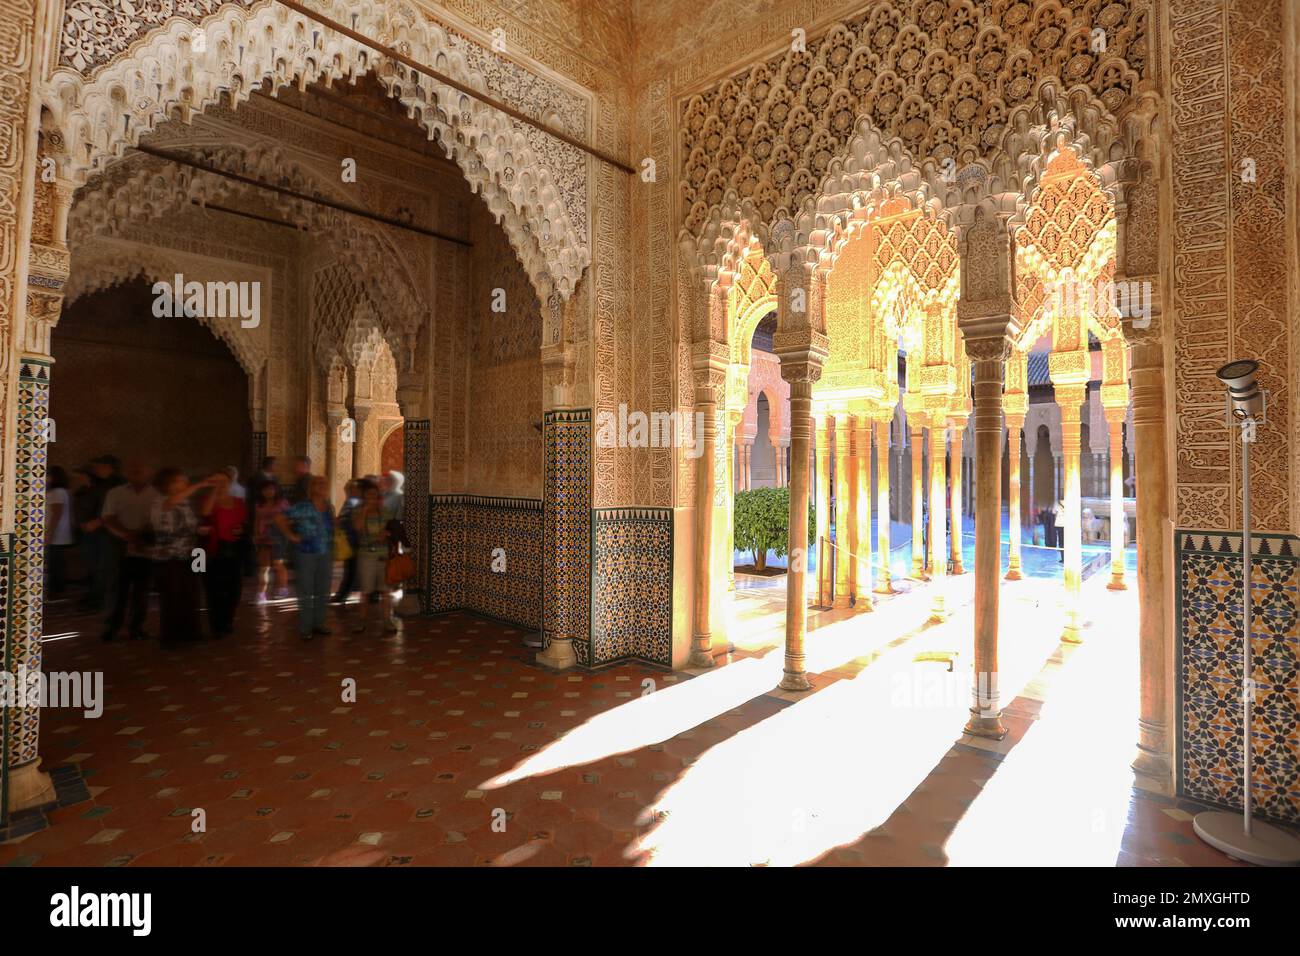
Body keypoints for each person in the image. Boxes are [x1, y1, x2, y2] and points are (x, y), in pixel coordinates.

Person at [101, 461, 159, 642]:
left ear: (149, 473)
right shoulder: (115, 493)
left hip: (145, 547)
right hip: (120, 547)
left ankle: (136, 627)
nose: (136, 472)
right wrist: (127, 536)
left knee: (141, 591)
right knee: (116, 589)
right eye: (133, 469)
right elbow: (108, 518)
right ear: (126, 473)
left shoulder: (156, 495)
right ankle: (111, 628)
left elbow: (156, 520)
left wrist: (139, 537)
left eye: (141, 469)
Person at [150, 468, 207, 645]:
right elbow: (169, 505)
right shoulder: (159, 501)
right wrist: (201, 484)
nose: (186, 483)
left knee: (191, 593)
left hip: (192, 554)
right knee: (171, 596)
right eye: (182, 480)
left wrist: (199, 530)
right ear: (170, 484)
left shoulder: (186, 503)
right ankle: (171, 636)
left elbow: (190, 525)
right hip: (169, 556)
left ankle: (191, 633)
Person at [278, 475, 335, 640]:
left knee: (323, 590)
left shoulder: (328, 507)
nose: (321, 486)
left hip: (326, 553)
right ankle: (305, 627)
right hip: (305, 553)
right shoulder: (303, 506)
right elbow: (279, 518)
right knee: (306, 590)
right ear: (311, 488)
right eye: (317, 483)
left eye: (324, 483)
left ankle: (319, 623)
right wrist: (291, 535)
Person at [198, 469, 247, 638]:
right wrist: (213, 490)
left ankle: (228, 620)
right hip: (212, 551)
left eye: (224, 481)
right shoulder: (207, 500)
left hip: (233, 550)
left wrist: (242, 529)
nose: (221, 485)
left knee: (234, 589)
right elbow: (205, 513)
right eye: (217, 481)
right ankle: (217, 624)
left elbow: (243, 523)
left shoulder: (239, 502)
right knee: (214, 589)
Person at [74, 455, 123, 612]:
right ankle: (96, 597)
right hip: (95, 532)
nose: (97, 469)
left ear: (109, 467)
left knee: (104, 567)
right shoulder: (99, 485)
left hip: (107, 532)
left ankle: (101, 601)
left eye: (100, 466)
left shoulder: (118, 485)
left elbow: (116, 509)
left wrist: (98, 522)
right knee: (95, 566)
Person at [351, 480, 398, 634]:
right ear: (364, 497)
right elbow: (357, 528)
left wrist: (387, 534)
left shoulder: (385, 512)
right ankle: (361, 621)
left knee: (386, 591)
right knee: (366, 591)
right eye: (369, 495)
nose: (372, 498)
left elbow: (393, 530)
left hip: (383, 556)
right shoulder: (358, 510)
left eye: (375, 495)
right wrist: (365, 511)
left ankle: (387, 620)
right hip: (366, 556)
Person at [253, 480, 290, 603]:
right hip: (264, 536)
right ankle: (261, 593)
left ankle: (283, 587)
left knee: (277, 564)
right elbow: (257, 519)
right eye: (266, 490)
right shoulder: (259, 504)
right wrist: (256, 534)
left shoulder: (283, 503)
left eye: (271, 489)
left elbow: (289, 519)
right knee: (264, 566)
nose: (269, 492)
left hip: (279, 535)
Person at [45, 465, 75, 598]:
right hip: (54, 533)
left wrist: (49, 532)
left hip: (56, 534)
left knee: (56, 563)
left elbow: (57, 513)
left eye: (48, 475)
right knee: (55, 562)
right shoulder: (55, 491)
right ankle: (56, 590)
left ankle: (58, 591)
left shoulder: (58, 492)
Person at [331, 479, 361, 604]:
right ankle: (344, 594)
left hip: (350, 539)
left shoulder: (350, 502)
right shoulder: (360, 502)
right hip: (357, 539)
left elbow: (341, 520)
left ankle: (342, 595)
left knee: (350, 569)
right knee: (352, 568)